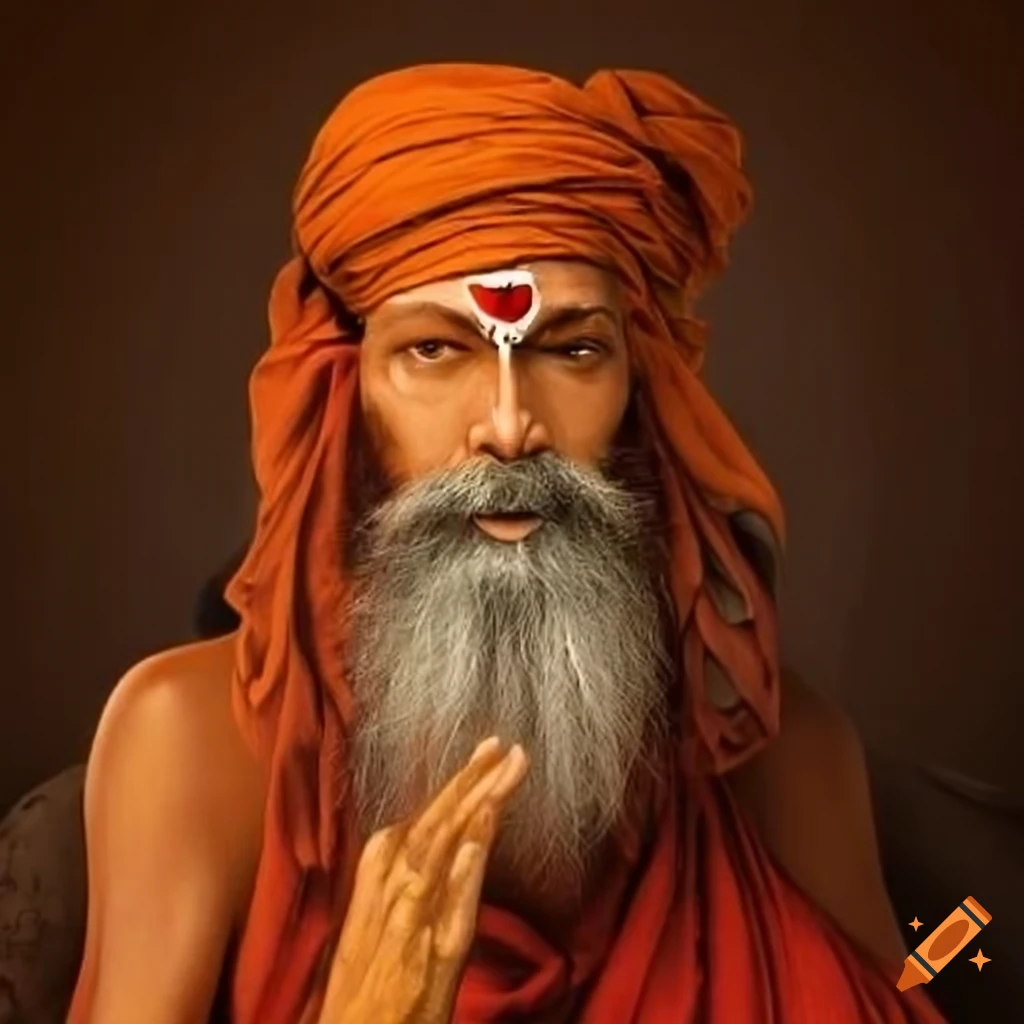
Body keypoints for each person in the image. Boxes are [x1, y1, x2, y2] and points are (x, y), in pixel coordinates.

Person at [68, 64, 946, 1023]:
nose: (508, 423)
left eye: (572, 350)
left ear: (639, 394)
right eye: (434, 352)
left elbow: (921, 983)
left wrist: (980, 954)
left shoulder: (782, 755)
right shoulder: (194, 747)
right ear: (342, 395)